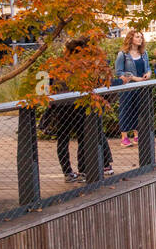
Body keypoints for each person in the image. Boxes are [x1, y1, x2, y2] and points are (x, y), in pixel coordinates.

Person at [47, 37, 114, 181]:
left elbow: (49, 85)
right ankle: (83, 170)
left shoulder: (58, 64)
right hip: (77, 105)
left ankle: (68, 172)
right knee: (82, 137)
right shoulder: (83, 66)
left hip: (61, 105)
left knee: (63, 138)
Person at [113, 30, 150, 147]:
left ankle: (137, 135)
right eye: (137, 37)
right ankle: (124, 137)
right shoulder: (123, 54)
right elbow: (119, 72)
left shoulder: (144, 54)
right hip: (127, 88)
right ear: (131, 39)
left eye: (141, 37)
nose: (140, 39)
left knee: (138, 110)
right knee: (126, 110)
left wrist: (148, 74)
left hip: (141, 87)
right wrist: (134, 78)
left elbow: (148, 68)